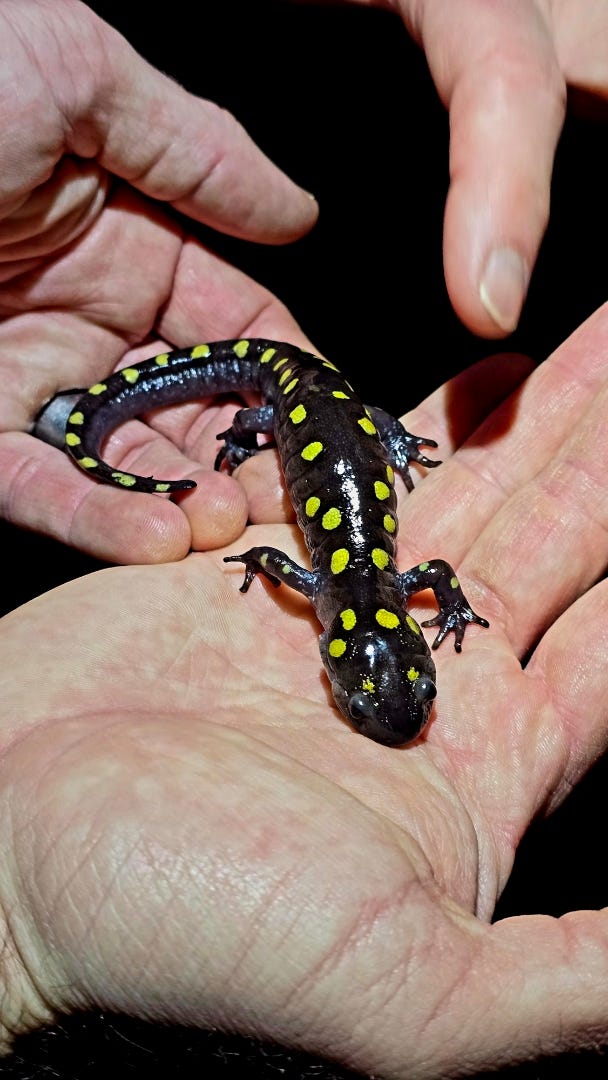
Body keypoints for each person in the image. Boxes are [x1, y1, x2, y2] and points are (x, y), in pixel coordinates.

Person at [2, 307, 608, 1075]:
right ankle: (124, 421)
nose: (397, 708)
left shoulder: (347, 585)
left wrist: (399, 492)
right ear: (333, 655)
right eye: (370, 698)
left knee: (328, 414)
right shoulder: (340, 582)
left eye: (412, 692)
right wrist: (251, 452)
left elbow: (427, 577)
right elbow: (387, 571)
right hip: (287, 390)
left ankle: (318, 423)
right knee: (293, 407)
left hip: (312, 400)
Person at [1, 0, 607, 565]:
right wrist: (252, 435)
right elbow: (319, 417)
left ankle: (107, 425)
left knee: (284, 416)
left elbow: (360, 416)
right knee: (263, 418)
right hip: (288, 384)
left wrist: (381, 442)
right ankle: (93, 428)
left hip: (291, 385)